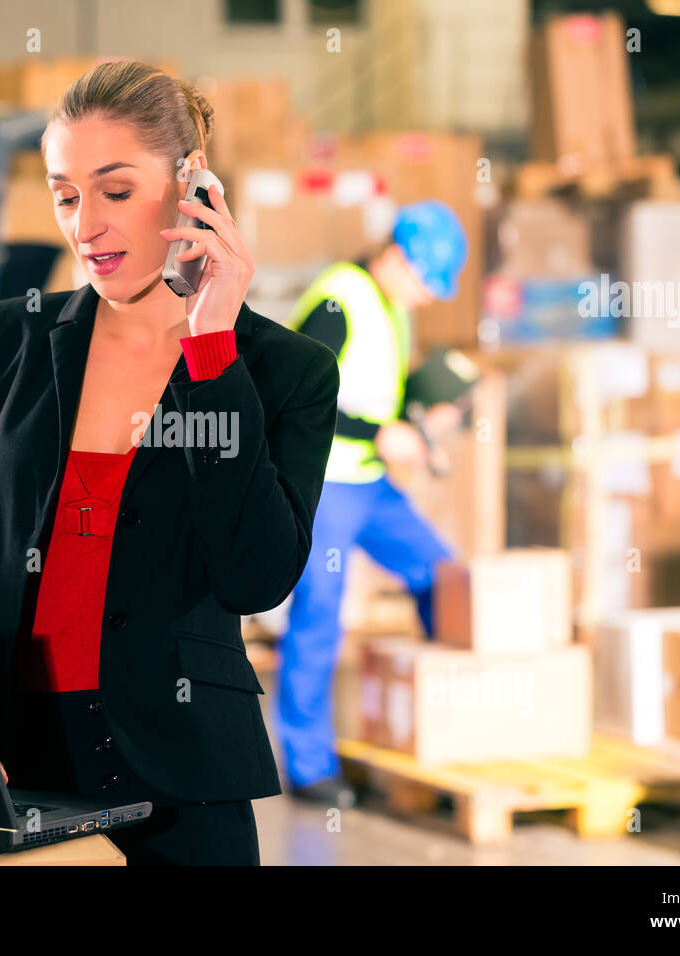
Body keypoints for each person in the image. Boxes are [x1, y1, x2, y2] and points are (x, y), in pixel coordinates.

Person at [0, 59, 338, 866]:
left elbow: (256, 577)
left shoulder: (284, 372)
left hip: (184, 792)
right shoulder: (9, 341)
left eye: (116, 190)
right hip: (12, 776)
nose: (84, 227)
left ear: (191, 187)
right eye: (67, 195)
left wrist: (210, 347)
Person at [277, 200, 469, 806]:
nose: (429, 296)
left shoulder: (392, 306)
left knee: (445, 576)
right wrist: (376, 433)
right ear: (396, 255)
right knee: (319, 618)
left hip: (371, 485)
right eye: (425, 281)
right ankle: (310, 769)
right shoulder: (340, 297)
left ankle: (449, 735)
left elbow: (378, 389)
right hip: (327, 484)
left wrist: (424, 409)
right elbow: (292, 389)